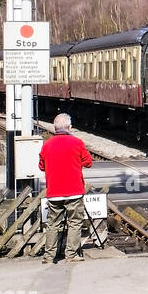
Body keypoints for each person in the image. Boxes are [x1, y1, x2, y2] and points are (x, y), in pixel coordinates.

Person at [38, 113, 94, 264]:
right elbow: (88, 162)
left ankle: (48, 256)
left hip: (54, 192)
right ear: (69, 127)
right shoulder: (77, 143)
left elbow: (41, 166)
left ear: (55, 128)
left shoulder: (47, 145)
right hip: (74, 191)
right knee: (75, 222)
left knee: (52, 224)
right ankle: (71, 254)